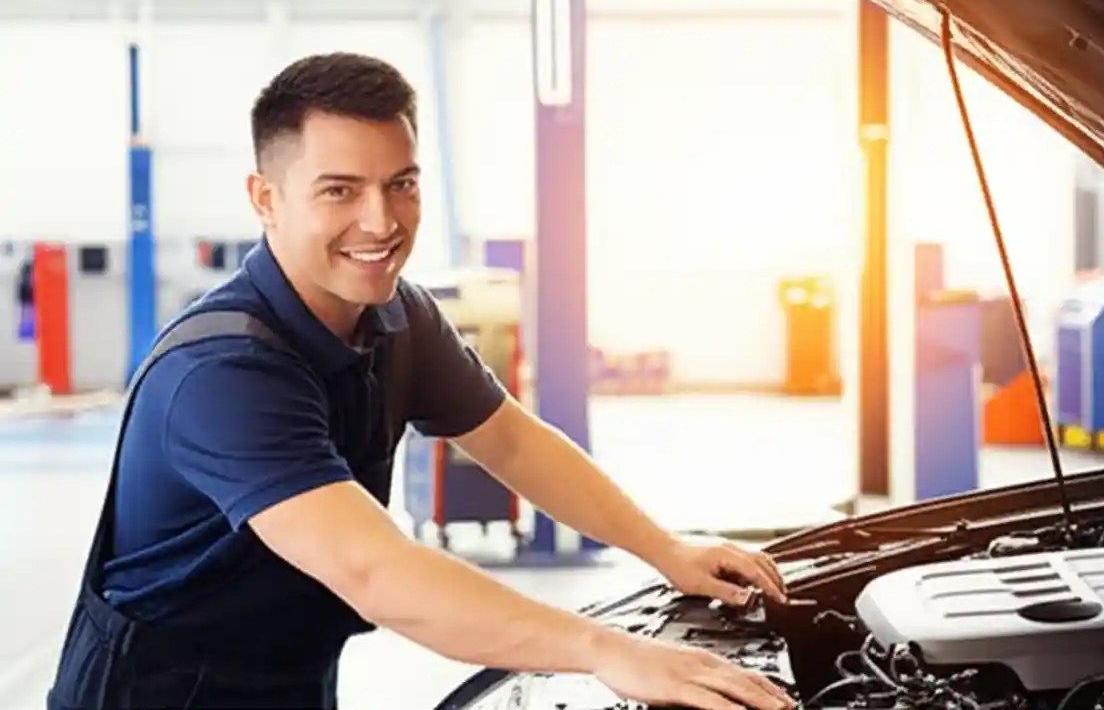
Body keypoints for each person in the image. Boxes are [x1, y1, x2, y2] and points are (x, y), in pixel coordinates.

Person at [46, 52, 795, 710]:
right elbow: (377, 571)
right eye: (339, 191)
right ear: (265, 198)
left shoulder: (398, 314)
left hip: (287, 670)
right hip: (160, 691)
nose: (382, 222)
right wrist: (608, 650)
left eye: (400, 184)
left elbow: (509, 440)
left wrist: (664, 549)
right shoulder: (224, 373)